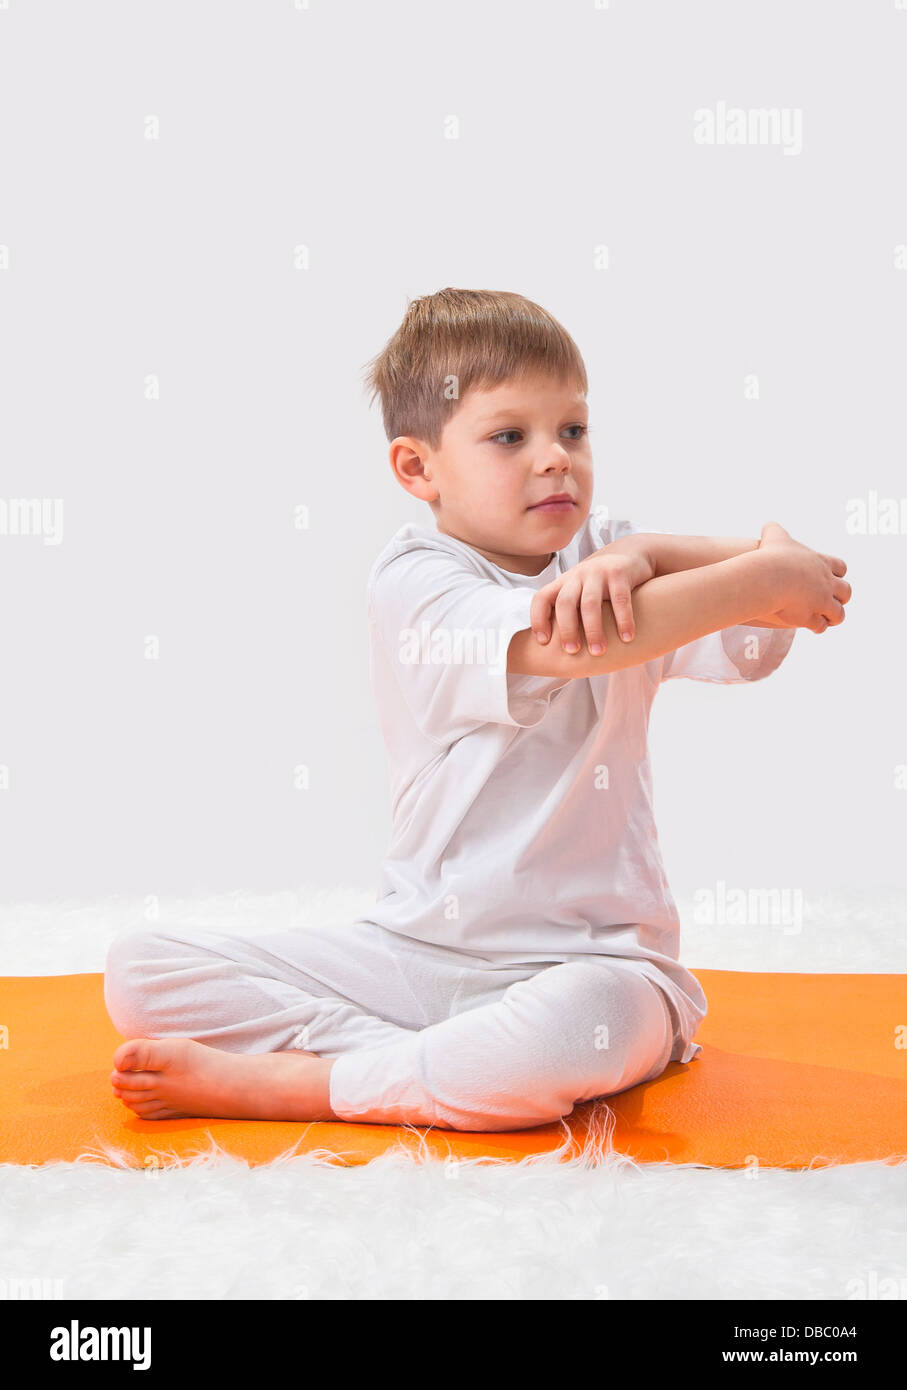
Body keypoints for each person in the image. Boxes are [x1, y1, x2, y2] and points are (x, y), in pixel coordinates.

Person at [104, 287, 851, 1131]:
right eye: (510, 437)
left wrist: (646, 551)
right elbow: (590, 639)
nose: (555, 458)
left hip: (600, 962)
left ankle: (321, 1082)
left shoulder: (609, 556)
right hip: (417, 951)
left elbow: (790, 602)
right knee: (141, 970)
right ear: (417, 468)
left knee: (574, 1028)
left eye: (572, 430)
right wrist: (757, 571)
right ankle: (418, 1066)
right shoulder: (415, 583)